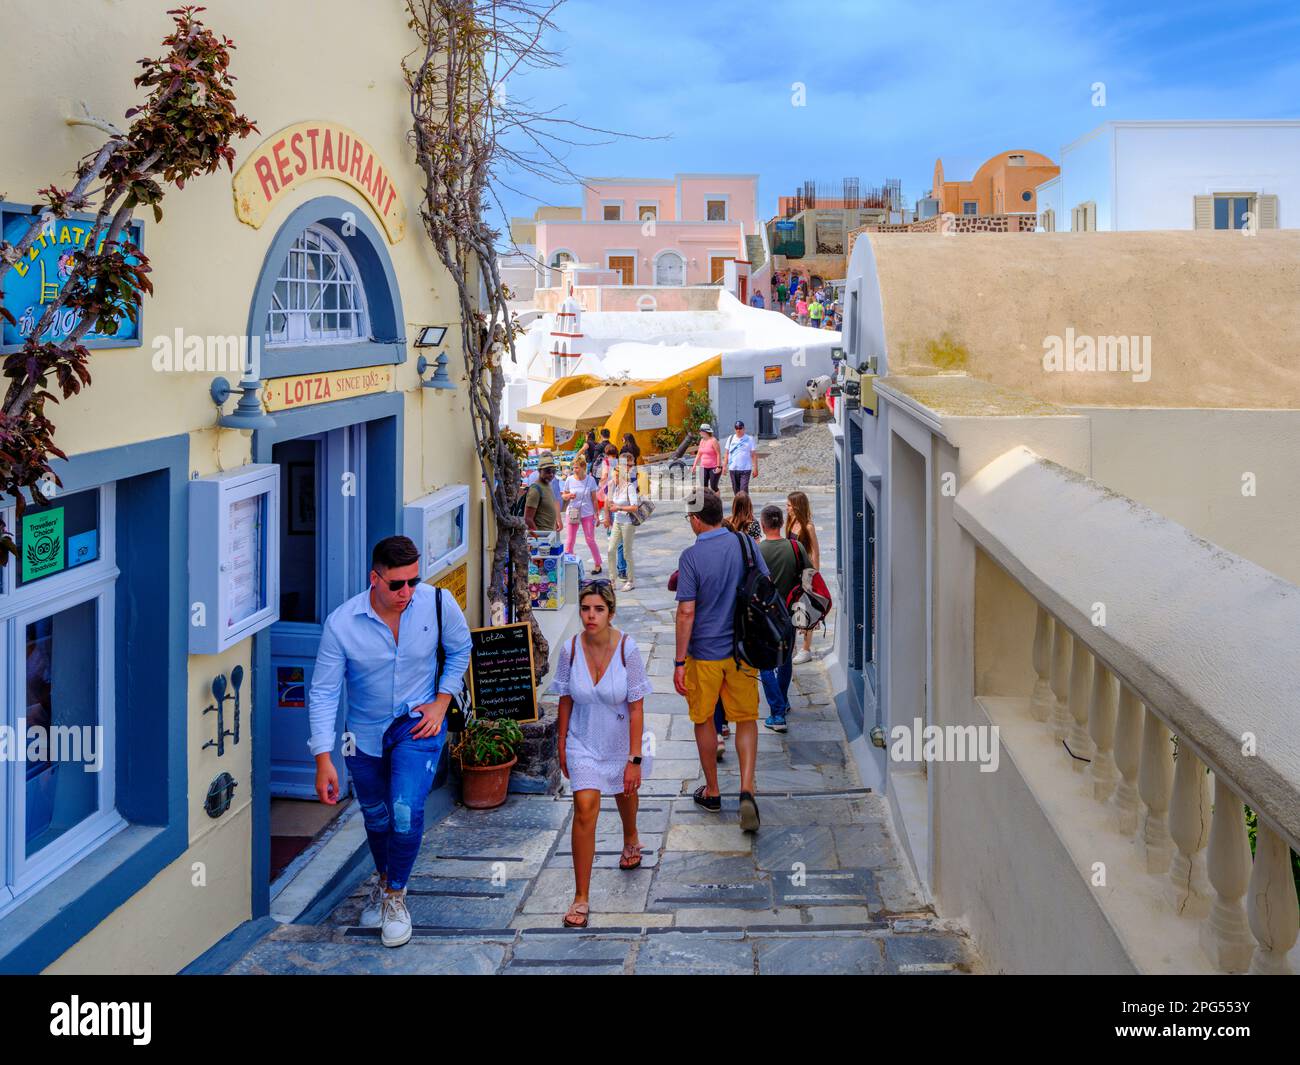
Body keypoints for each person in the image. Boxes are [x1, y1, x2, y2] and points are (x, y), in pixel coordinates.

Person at [309, 535, 472, 948]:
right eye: (397, 584)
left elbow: (460, 648)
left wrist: (440, 703)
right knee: (377, 818)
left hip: (417, 725)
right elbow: (324, 692)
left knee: (404, 809)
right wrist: (323, 757)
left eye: (413, 581)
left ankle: (396, 896)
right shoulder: (342, 624)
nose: (407, 592)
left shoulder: (436, 604)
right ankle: (383, 884)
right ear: (374, 579)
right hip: (362, 735)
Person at [550, 580, 653, 928]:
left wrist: (634, 758)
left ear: (611, 612)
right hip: (583, 741)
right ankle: (581, 896)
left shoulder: (628, 649)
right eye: (585, 608)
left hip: (620, 741)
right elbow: (564, 698)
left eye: (598, 609)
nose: (590, 616)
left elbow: (637, 708)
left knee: (625, 794)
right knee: (585, 806)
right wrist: (561, 744)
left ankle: (631, 837)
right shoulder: (570, 651)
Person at [674, 487, 769, 832]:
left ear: (697, 521)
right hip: (743, 653)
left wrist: (679, 662)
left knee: (703, 720)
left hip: (704, 655)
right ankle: (746, 788)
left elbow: (686, 612)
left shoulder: (691, 558)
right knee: (746, 719)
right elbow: (765, 584)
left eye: (689, 519)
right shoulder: (745, 544)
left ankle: (713, 791)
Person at [757, 504, 802, 732]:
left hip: (765, 616)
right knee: (785, 660)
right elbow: (810, 576)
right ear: (782, 523)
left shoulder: (758, 551)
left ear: (763, 525)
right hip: (791, 614)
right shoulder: (795, 548)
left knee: (765, 663)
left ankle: (776, 712)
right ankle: (782, 702)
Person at [786, 491, 822, 663]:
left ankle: (806, 648)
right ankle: (792, 645)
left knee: (806, 608)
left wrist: (814, 575)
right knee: (793, 606)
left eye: (789, 505)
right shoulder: (791, 523)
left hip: (805, 572)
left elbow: (815, 552)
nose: (787, 508)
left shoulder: (808, 527)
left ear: (797, 506)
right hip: (792, 571)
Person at [561, 454, 603, 573]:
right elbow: (564, 496)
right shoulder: (569, 479)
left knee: (590, 539)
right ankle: (567, 563)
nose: (575, 470)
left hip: (587, 512)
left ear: (584, 467)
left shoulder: (590, 480)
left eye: (577, 467)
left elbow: (594, 499)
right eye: (573, 467)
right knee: (570, 539)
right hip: (573, 512)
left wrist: (597, 514)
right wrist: (568, 496)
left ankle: (598, 563)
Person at [605, 458, 640, 591]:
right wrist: (609, 491)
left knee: (627, 553)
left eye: (614, 475)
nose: (613, 478)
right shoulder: (615, 488)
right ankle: (612, 579)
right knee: (610, 550)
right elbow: (609, 504)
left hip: (628, 524)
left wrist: (619, 508)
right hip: (617, 522)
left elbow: (635, 507)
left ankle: (631, 580)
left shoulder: (629, 487)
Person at [524, 452, 560, 534]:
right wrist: (539, 537)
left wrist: (555, 524)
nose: (551, 474)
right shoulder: (535, 489)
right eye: (547, 471)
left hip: (550, 536)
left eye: (553, 471)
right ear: (539, 471)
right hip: (542, 540)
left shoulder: (548, 485)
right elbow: (528, 519)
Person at [722, 420, 757, 496]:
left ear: (744, 429)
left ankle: (744, 506)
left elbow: (753, 455)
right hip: (733, 468)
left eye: (740, 428)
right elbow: (727, 453)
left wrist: (755, 468)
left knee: (743, 489)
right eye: (736, 428)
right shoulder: (731, 438)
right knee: (736, 490)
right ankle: (739, 505)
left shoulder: (749, 439)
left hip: (745, 469)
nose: (738, 430)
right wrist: (724, 466)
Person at [691, 422, 722, 493]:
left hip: (714, 467)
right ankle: (707, 502)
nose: (699, 432)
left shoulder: (713, 440)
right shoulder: (702, 441)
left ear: (705, 432)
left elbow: (718, 454)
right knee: (704, 487)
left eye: (701, 430)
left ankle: (717, 502)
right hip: (703, 467)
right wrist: (694, 465)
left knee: (714, 487)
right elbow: (699, 454)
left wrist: (719, 466)